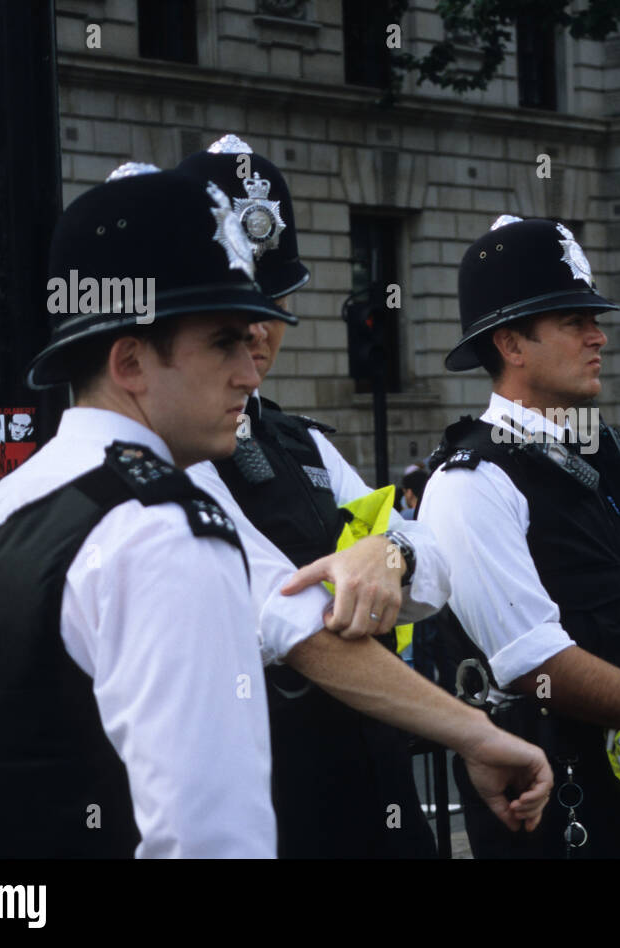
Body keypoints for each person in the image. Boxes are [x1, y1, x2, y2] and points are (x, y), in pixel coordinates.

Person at [0, 168, 550, 858]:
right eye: (222, 342)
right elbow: (210, 839)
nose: (250, 368)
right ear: (131, 363)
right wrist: (478, 733)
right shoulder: (164, 532)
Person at [174, 136, 548, 858]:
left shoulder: (304, 445)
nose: (257, 329)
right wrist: (470, 731)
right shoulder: (161, 466)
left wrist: (389, 555)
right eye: (234, 306)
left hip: (379, 805)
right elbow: (294, 627)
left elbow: (434, 567)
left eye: (272, 303)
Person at [421, 215, 620, 858]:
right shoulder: (473, 481)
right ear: (513, 345)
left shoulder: (605, 454)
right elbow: (536, 663)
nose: (598, 335)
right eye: (574, 321)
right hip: (555, 817)